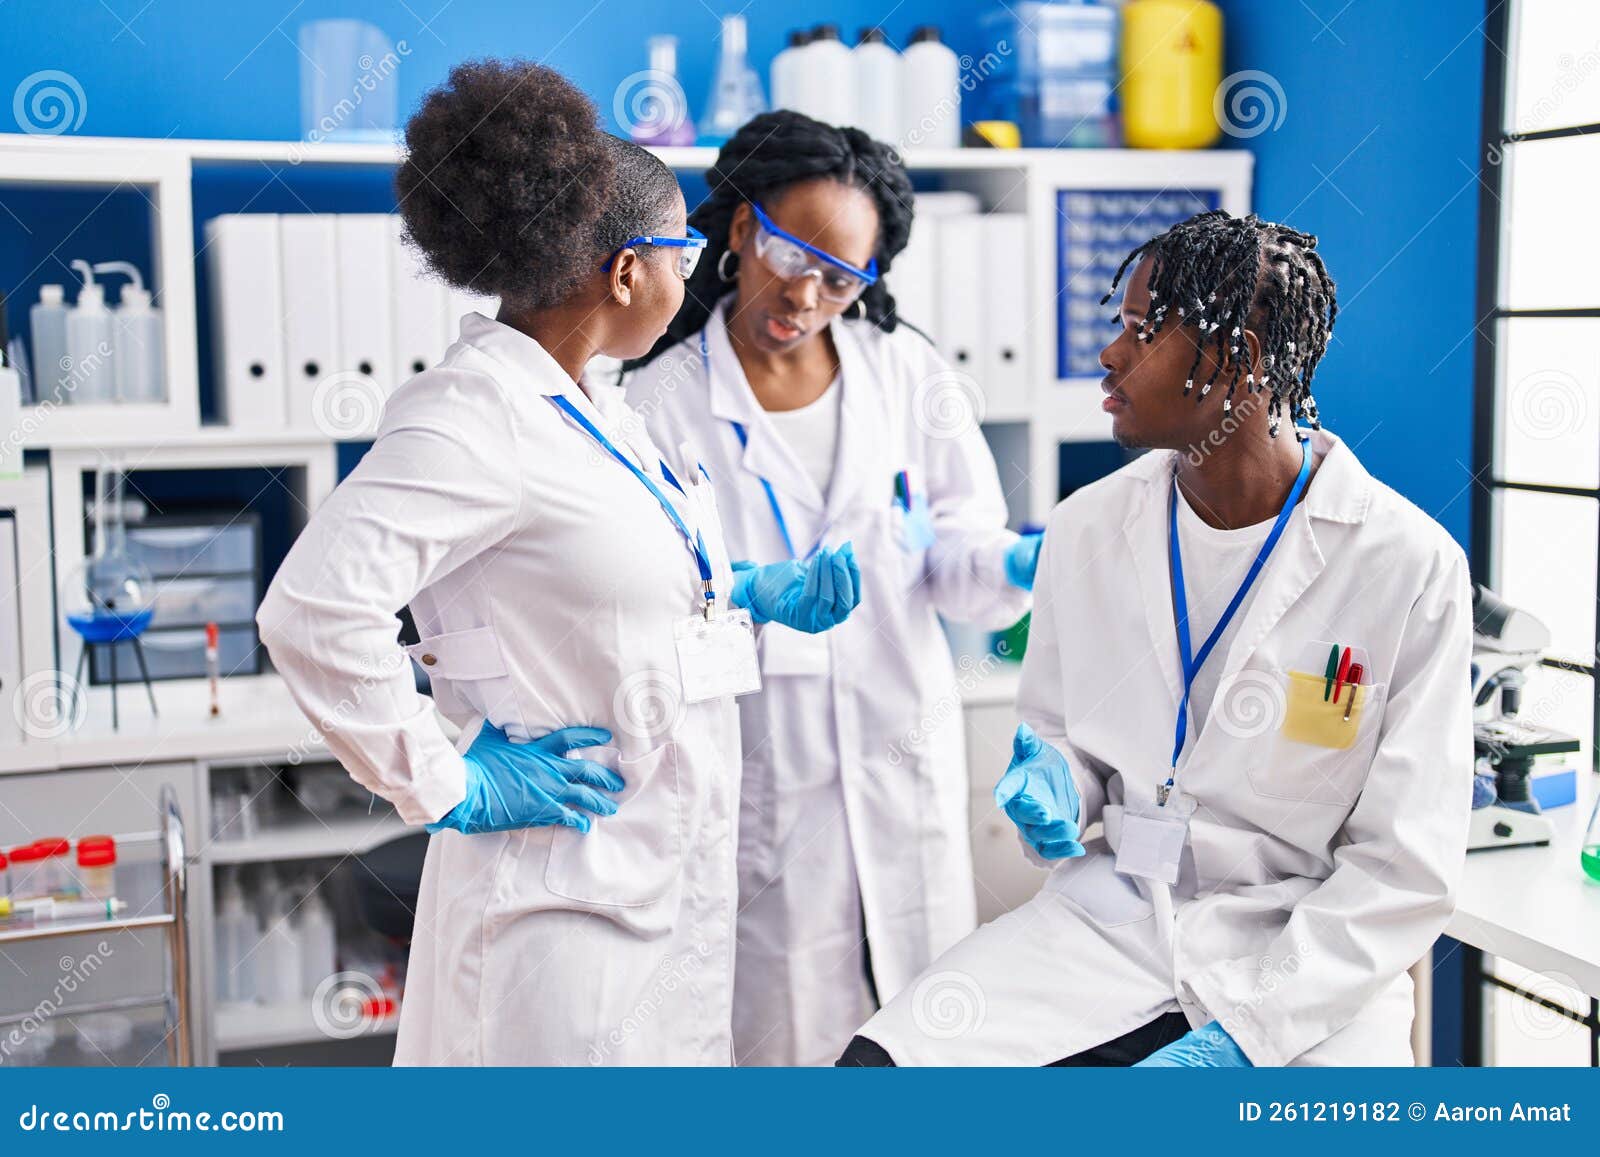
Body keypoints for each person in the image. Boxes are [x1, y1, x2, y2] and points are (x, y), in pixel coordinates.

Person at [257, 61, 861, 1066]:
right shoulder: (474, 417)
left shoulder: (596, 407)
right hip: (558, 910)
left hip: (654, 888)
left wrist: (742, 594)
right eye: (685, 251)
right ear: (627, 270)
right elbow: (313, 610)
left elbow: (596, 588)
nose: (695, 274)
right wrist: (445, 778)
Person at [838, 209, 1473, 1067]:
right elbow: (1067, 736)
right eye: (1120, 326)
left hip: (1303, 953)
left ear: (1242, 358)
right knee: (882, 1069)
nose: (1110, 354)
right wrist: (1054, 780)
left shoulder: (1405, 564)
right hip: (1114, 920)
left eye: (1144, 332)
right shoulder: (1089, 525)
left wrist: (1239, 1043)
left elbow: (1405, 869)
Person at [622, 111, 1038, 1066]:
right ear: (737, 229)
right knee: (781, 1052)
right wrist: (745, 603)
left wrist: (1011, 563)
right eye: (788, 253)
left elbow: (960, 560)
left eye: (842, 279)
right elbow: (638, 612)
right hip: (761, 785)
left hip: (904, 762)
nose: (806, 295)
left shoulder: (907, 376)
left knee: (924, 1048)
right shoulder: (658, 402)